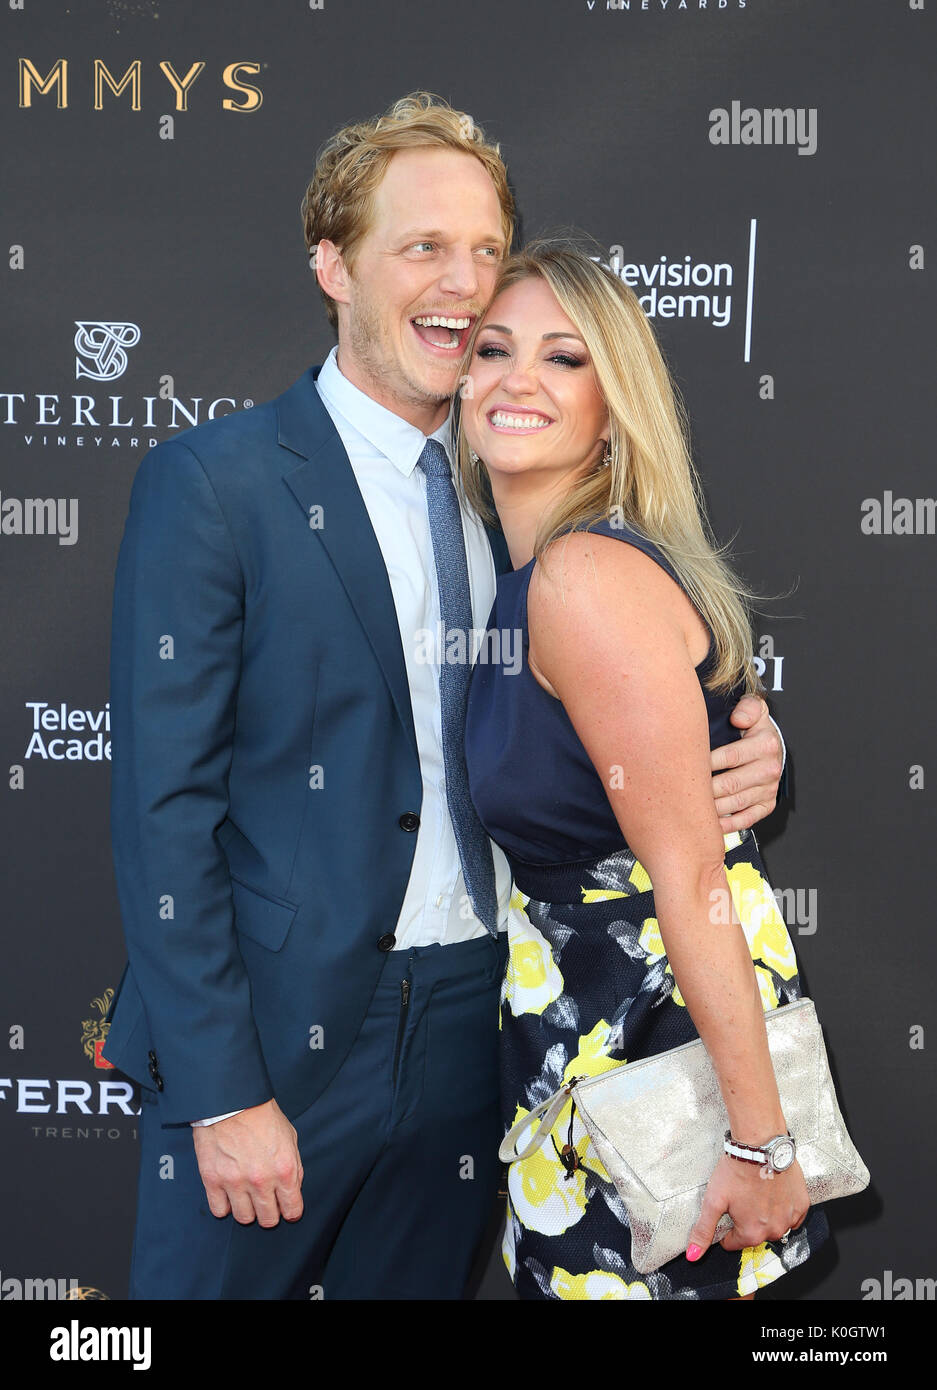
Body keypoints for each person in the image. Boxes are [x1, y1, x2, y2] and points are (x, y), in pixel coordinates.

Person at [102, 93, 787, 1300]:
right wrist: (221, 1089)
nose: (464, 282)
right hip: (278, 1043)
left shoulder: (513, 496)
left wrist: (740, 734)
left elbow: (612, 705)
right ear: (332, 264)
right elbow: (163, 812)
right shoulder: (218, 484)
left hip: (487, 1028)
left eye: (484, 248)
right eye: (422, 246)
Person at [461, 239, 830, 1300]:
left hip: (661, 1082)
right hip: (586, 1063)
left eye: (564, 358)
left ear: (612, 407)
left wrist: (759, 1143)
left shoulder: (581, 579)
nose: (518, 377)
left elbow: (695, 880)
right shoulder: (534, 574)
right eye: (494, 348)